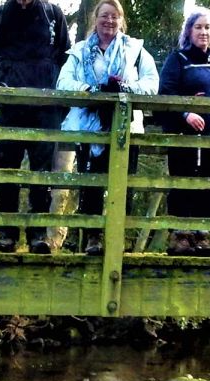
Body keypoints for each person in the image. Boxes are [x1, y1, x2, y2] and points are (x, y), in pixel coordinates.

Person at [56, 0, 158, 256]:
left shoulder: (135, 50)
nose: (109, 21)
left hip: (125, 127)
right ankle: (93, 237)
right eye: (104, 16)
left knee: (124, 184)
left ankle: (117, 236)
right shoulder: (79, 51)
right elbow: (63, 81)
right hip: (89, 126)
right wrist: (90, 91)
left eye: (114, 16)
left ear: (120, 19)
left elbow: (152, 83)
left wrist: (125, 89)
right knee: (91, 183)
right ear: (95, 19)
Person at [0, 0, 70, 254]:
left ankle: (38, 234)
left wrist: (60, 99)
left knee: (42, 173)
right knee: (6, 169)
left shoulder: (54, 15)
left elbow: (66, 58)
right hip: (9, 106)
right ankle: (7, 234)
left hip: (46, 105)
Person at [157, 6, 210, 257]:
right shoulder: (178, 59)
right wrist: (186, 112)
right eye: (198, 27)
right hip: (186, 135)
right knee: (183, 182)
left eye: (207, 27)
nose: (203, 32)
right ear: (189, 31)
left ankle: (202, 235)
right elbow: (165, 95)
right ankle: (181, 236)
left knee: (209, 184)